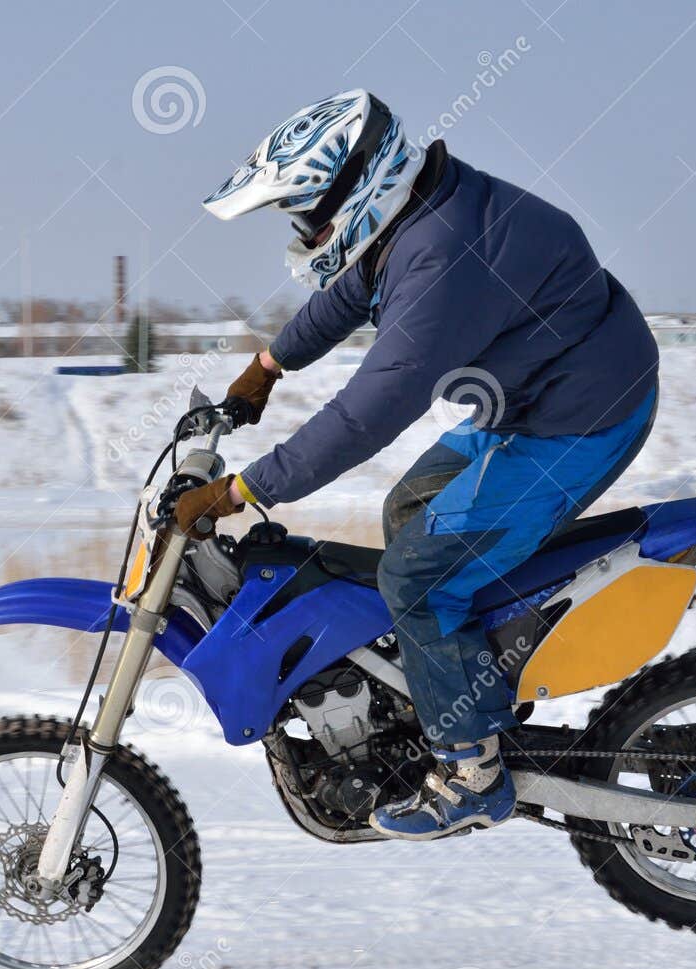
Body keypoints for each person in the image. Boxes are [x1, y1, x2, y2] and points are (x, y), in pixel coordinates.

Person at [175, 90, 659, 841]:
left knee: (417, 578)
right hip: (539, 398)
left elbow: (366, 413)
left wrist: (244, 489)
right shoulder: (417, 213)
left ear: (361, 187)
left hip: (580, 418)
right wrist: (271, 364)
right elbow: (349, 295)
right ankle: (441, 687)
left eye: (308, 215)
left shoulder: (441, 261)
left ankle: (475, 770)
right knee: (407, 516)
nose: (306, 232)